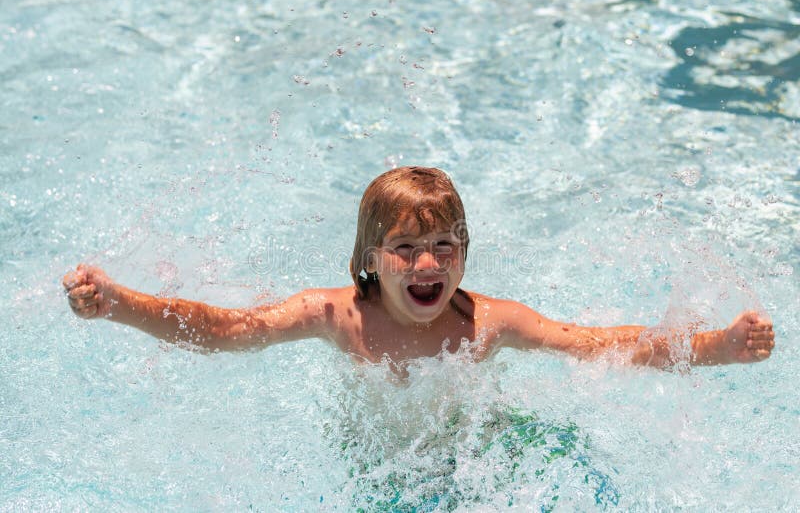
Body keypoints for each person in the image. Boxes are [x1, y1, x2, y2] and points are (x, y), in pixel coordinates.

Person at [63, 166, 775, 369]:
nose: (428, 263)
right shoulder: (334, 316)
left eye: (445, 246)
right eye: (405, 249)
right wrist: (117, 302)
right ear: (370, 259)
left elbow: (605, 344)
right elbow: (223, 331)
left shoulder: (489, 325)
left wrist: (716, 345)